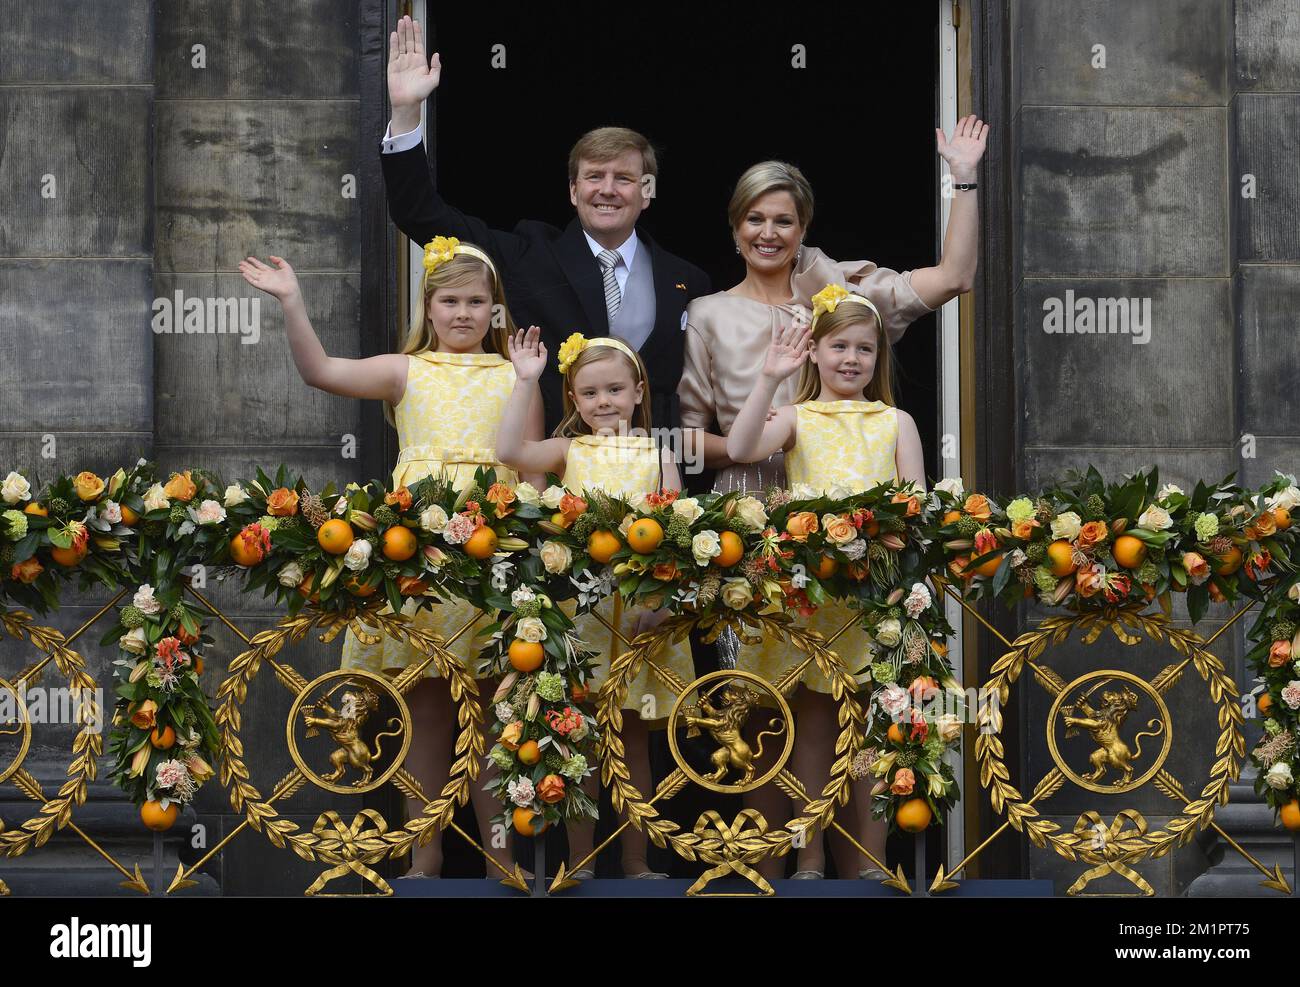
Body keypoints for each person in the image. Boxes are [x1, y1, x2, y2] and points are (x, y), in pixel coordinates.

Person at [238, 237, 544, 878]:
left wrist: (537, 553)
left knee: (499, 716)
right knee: (425, 711)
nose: (464, 313)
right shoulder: (408, 370)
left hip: (494, 553)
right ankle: (422, 860)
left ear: (496, 311)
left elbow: (533, 466)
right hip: (422, 554)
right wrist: (293, 302)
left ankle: (501, 863)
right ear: (428, 308)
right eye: (450, 301)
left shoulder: (519, 374)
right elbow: (321, 371)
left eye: (477, 302)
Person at [381, 15, 711, 452]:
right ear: (574, 191)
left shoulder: (688, 281)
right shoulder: (527, 254)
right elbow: (421, 215)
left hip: (656, 482)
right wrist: (406, 112)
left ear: (646, 192)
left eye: (624, 178)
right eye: (594, 177)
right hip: (552, 482)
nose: (607, 189)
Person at [726, 285, 926, 881]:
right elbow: (739, 447)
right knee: (809, 728)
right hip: (807, 602)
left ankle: (870, 859)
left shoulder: (897, 421)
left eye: (864, 349)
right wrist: (769, 378)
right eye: (838, 345)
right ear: (814, 352)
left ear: (878, 359)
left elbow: (915, 507)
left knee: (872, 730)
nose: (851, 359)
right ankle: (807, 854)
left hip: (874, 602)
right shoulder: (795, 417)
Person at [678, 115, 988, 493]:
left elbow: (954, 277)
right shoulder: (706, 313)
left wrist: (964, 176)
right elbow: (686, 438)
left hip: (842, 493)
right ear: (735, 227)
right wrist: (763, 442)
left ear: (803, 227)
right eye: (754, 219)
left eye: (784, 221)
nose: (768, 234)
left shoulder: (840, 288)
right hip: (746, 494)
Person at [496, 327, 693, 879]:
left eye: (614, 390)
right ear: (574, 401)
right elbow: (509, 451)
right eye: (589, 393)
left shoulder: (660, 454)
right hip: (580, 618)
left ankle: (635, 860)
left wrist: (664, 599)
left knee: (632, 743)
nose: (603, 402)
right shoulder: (569, 449)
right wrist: (524, 381)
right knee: (574, 733)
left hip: (638, 619)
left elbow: (678, 535)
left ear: (638, 393)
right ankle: (580, 861)